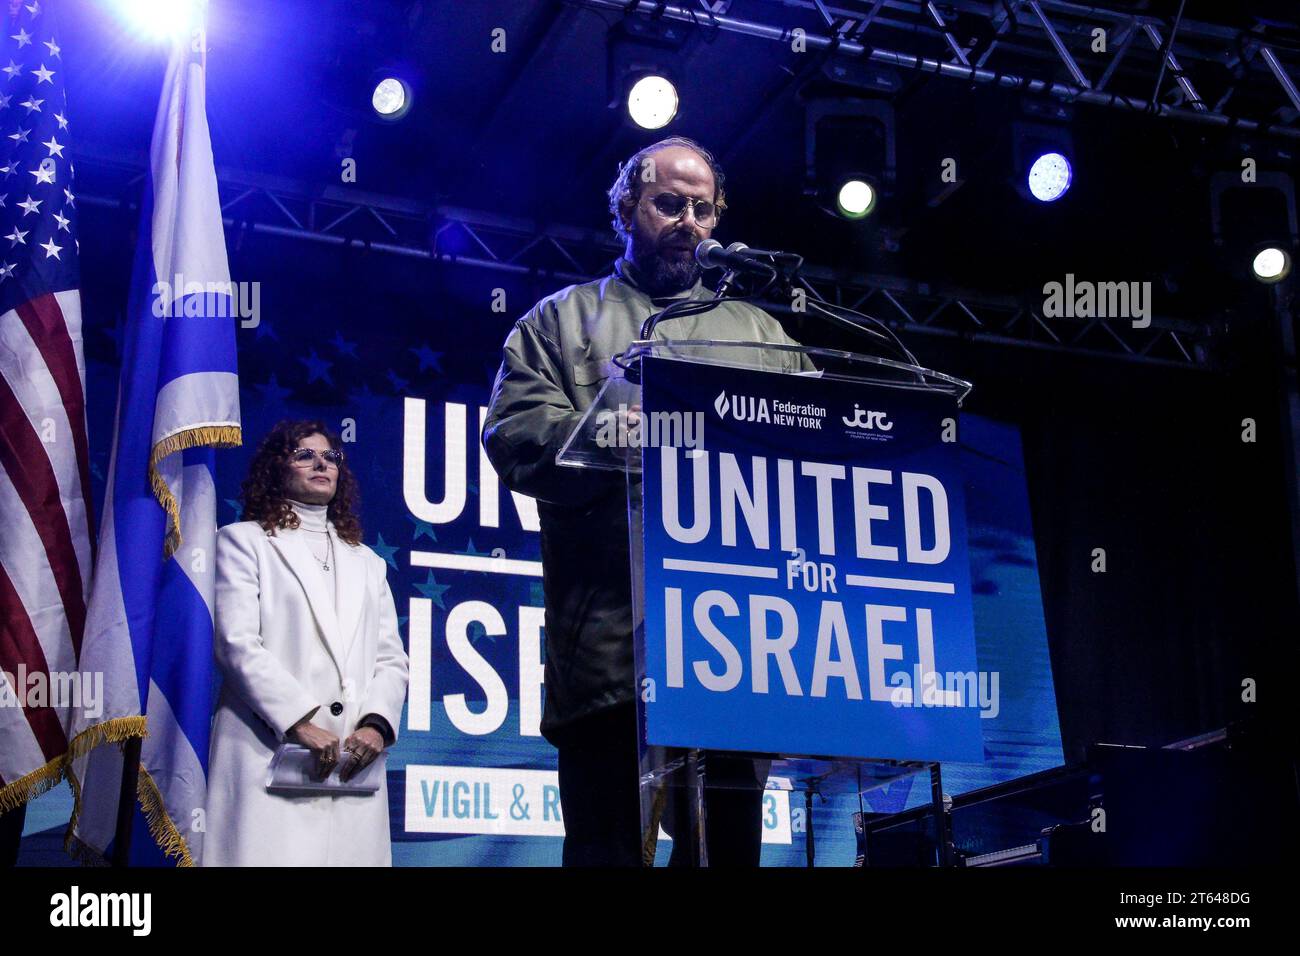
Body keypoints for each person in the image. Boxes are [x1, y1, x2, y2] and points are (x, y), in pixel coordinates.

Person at [482, 136, 805, 866]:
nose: (688, 221)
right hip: (607, 659)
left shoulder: (764, 337)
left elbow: (818, 462)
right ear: (626, 208)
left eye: (703, 208)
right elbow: (516, 438)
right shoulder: (556, 323)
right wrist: (611, 432)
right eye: (668, 203)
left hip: (736, 658)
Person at [205, 420, 408, 866]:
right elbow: (236, 643)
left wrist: (375, 726)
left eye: (330, 457)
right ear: (277, 470)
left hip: (352, 769)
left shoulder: (369, 563)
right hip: (268, 756)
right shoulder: (243, 542)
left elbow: (391, 660)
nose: (321, 464)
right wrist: (300, 722)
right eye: (304, 455)